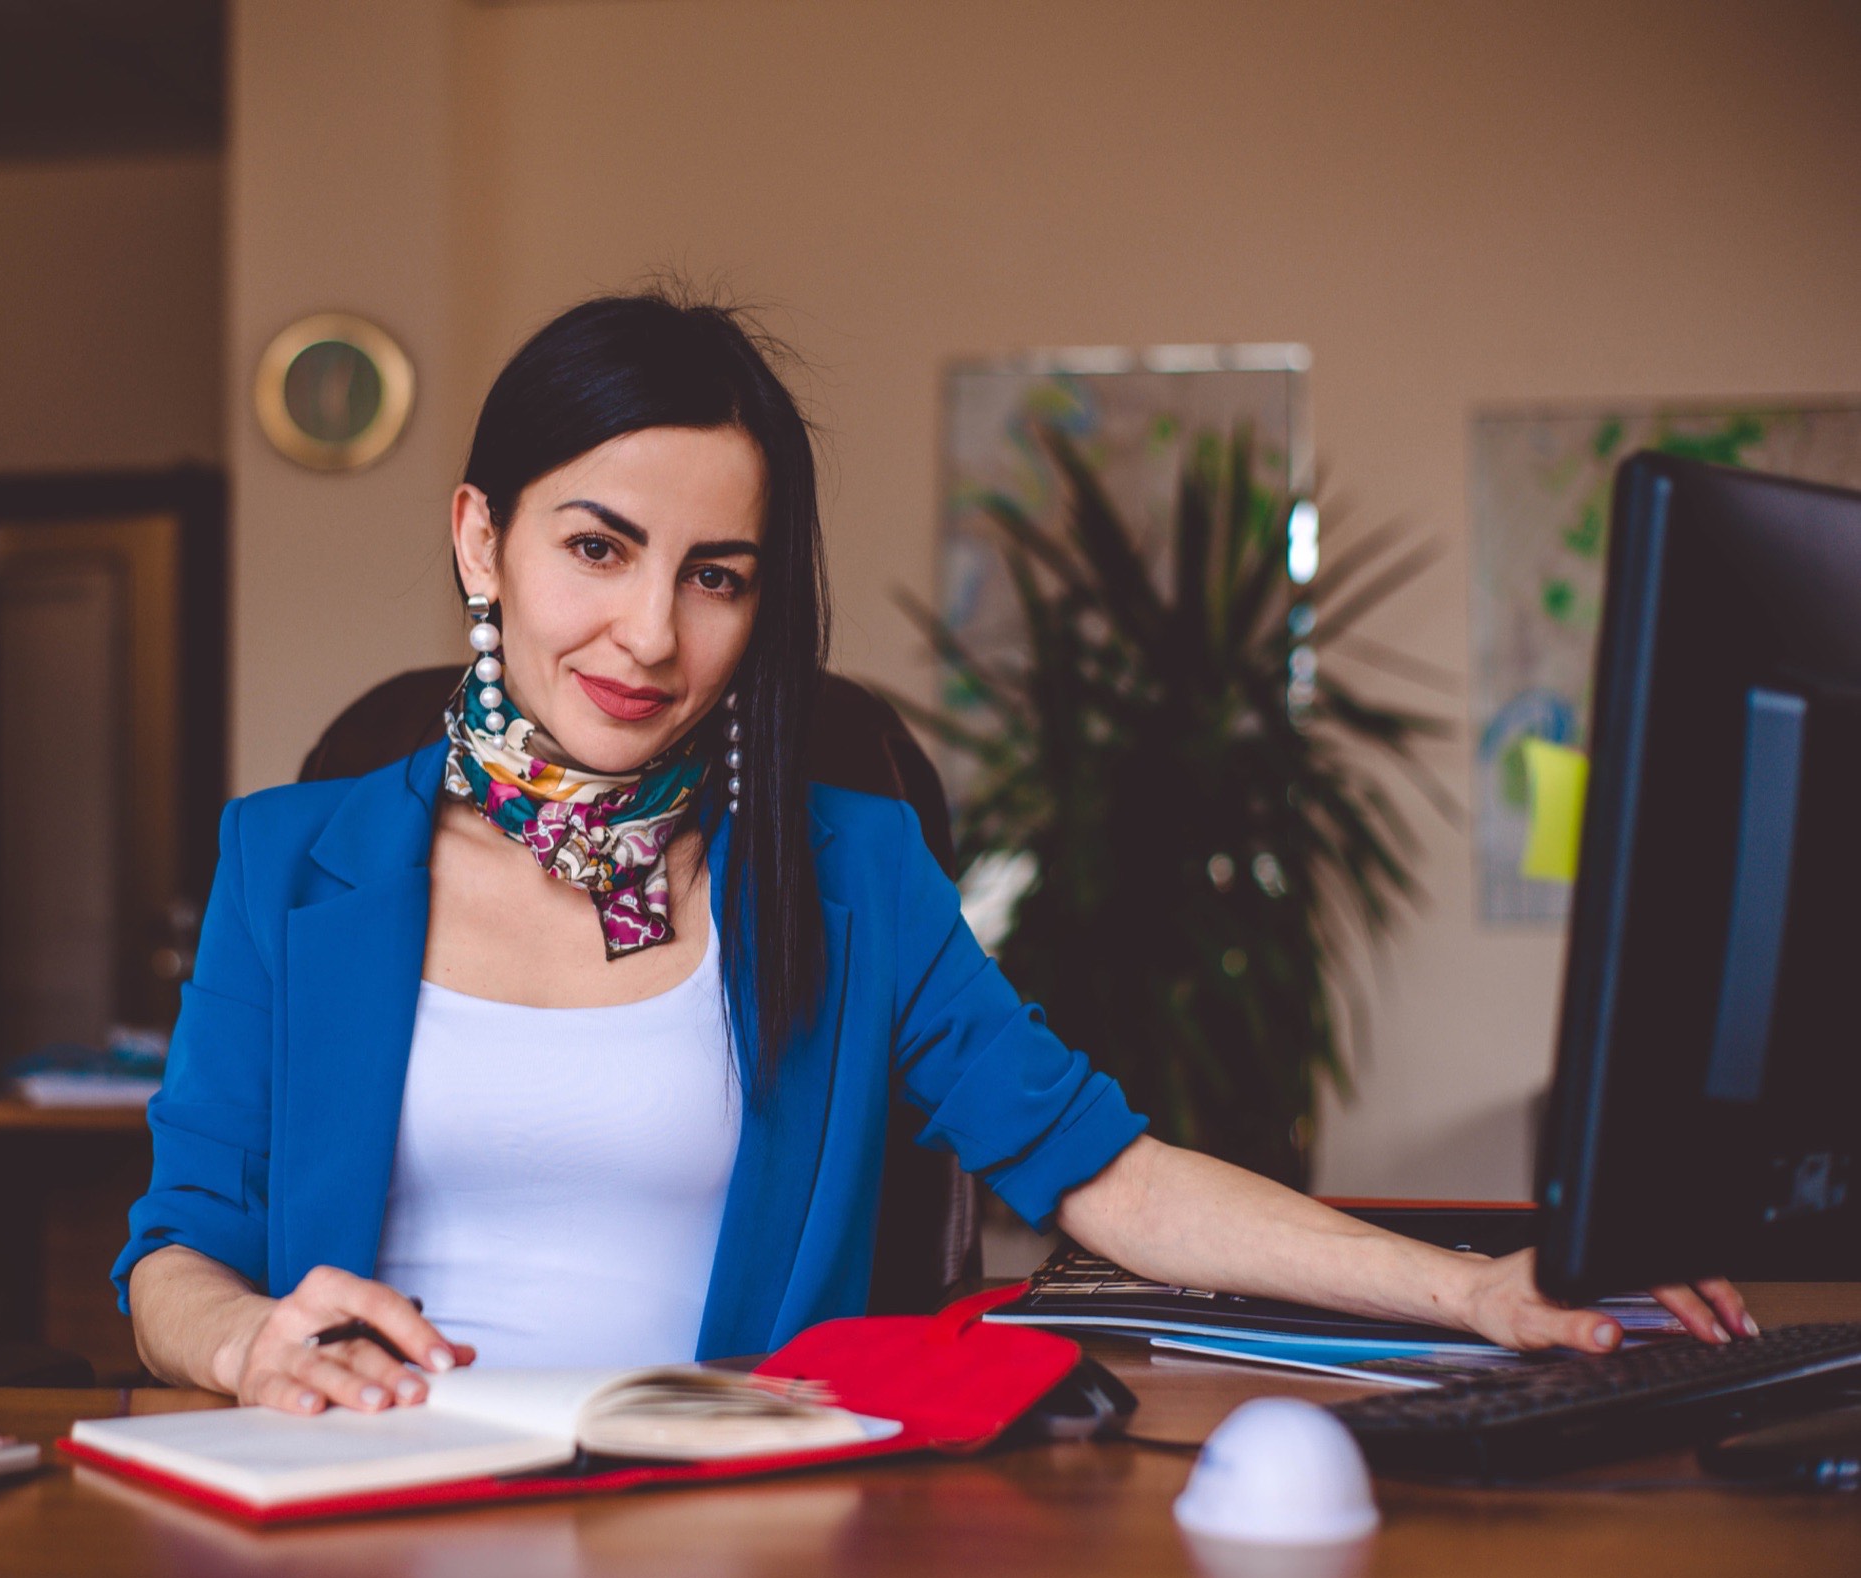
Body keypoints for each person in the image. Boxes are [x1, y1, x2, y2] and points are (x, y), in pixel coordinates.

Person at [118, 292, 1753, 1416]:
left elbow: (1101, 1171)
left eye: (718, 574)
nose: (647, 632)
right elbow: (171, 1250)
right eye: (597, 549)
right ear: (485, 540)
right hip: (356, 1511)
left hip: (719, 1527)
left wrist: (1471, 1292)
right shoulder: (292, 865)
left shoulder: (848, 872)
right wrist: (250, 1343)